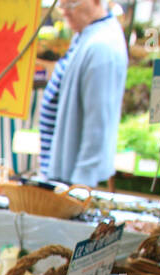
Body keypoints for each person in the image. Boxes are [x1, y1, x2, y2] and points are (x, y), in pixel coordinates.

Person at [37, 0, 127, 187]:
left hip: (73, 180)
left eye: (71, 5)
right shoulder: (86, 35)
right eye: (62, 6)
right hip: (62, 174)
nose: (65, 12)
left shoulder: (102, 47)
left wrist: (81, 183)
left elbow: (97, 123)